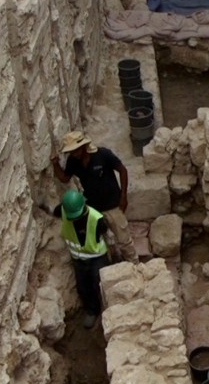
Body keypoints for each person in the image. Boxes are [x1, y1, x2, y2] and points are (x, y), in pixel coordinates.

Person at [53, 131, 136, 263]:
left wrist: (123, 196)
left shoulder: (102, 155)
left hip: (112, 204)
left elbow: (122, 170)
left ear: (83, 147)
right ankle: (113, 261)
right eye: (71, 152)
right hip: (94, 207)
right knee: (102, 236)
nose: (74, 154)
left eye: (76, 150)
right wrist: (55, 164)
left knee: (123, 237)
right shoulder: (73, 161)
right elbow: (64, 178)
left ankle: (134, 264)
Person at [37, 189, 109, 328]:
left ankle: (104, 312)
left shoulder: (97, 219)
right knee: (83, 287)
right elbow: (53, 211)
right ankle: (91, 311)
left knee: (98, 285)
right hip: (78, 259)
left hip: (97, 257)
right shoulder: (64, 210)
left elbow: (105, 233)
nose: (74, 219)